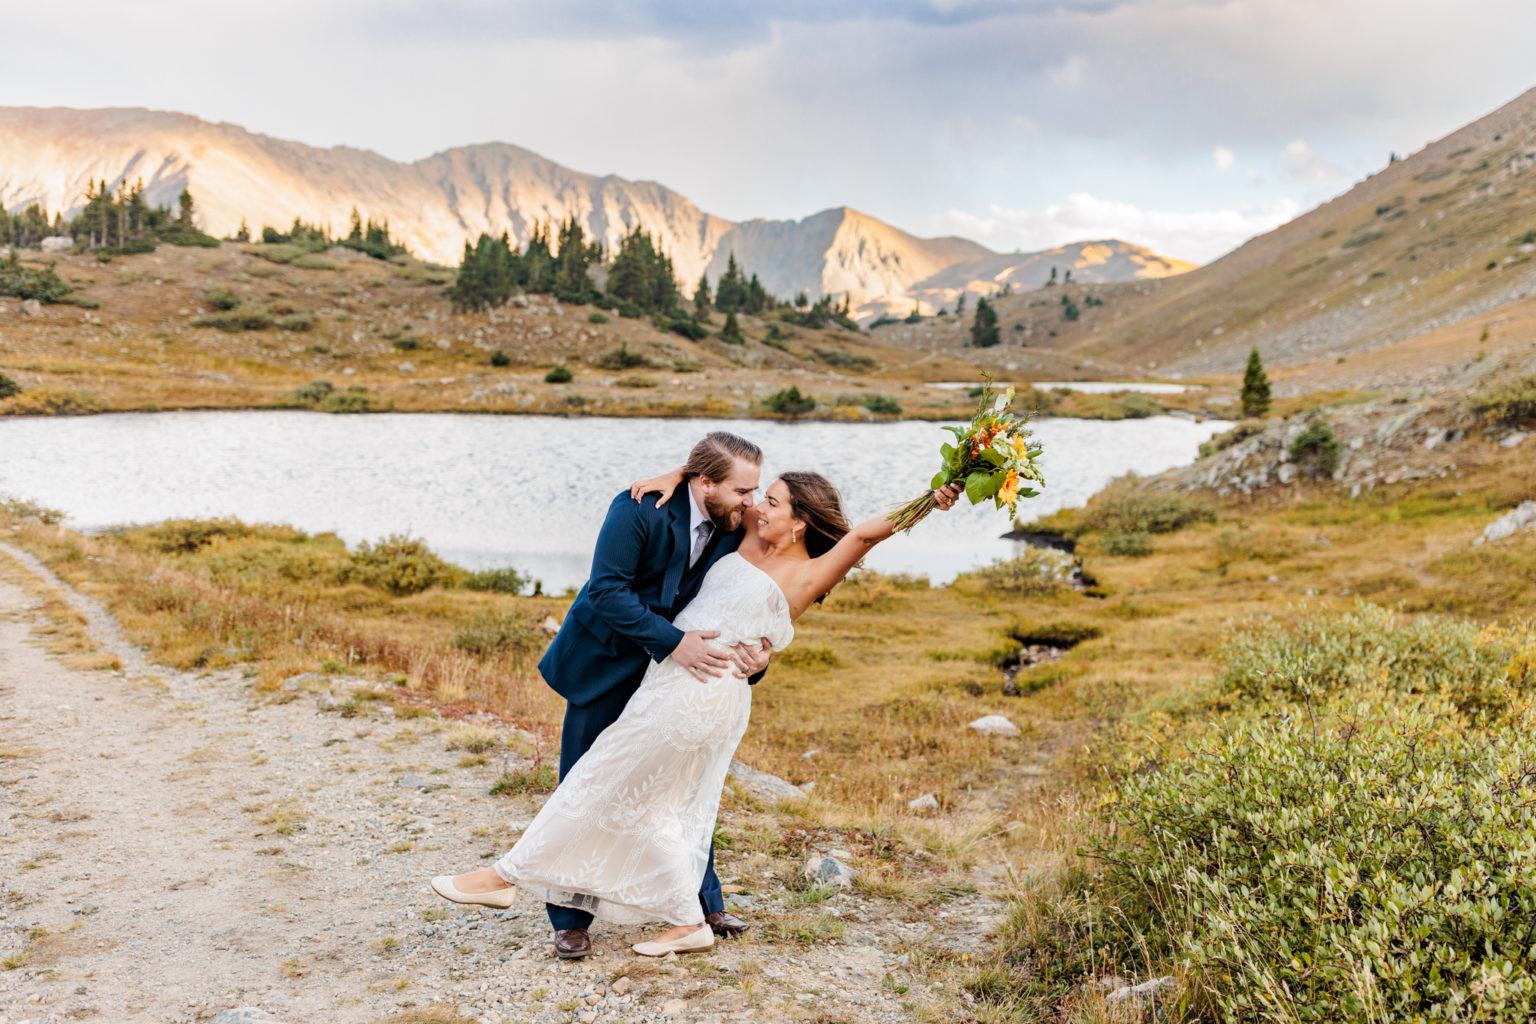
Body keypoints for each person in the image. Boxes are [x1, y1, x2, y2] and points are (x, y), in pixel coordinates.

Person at [431, 454, 961, 958]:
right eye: (760, 496)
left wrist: (931, 498)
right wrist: (682, 472)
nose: (757, 506)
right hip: (670, 680)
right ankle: (684, 920)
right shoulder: (748, 536)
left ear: (800, 523)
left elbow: (865, 533)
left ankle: (504, 878)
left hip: (700, 692)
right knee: (659, 800)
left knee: (603, 779)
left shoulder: (810, 572)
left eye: (772, 501)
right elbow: (718, 483)